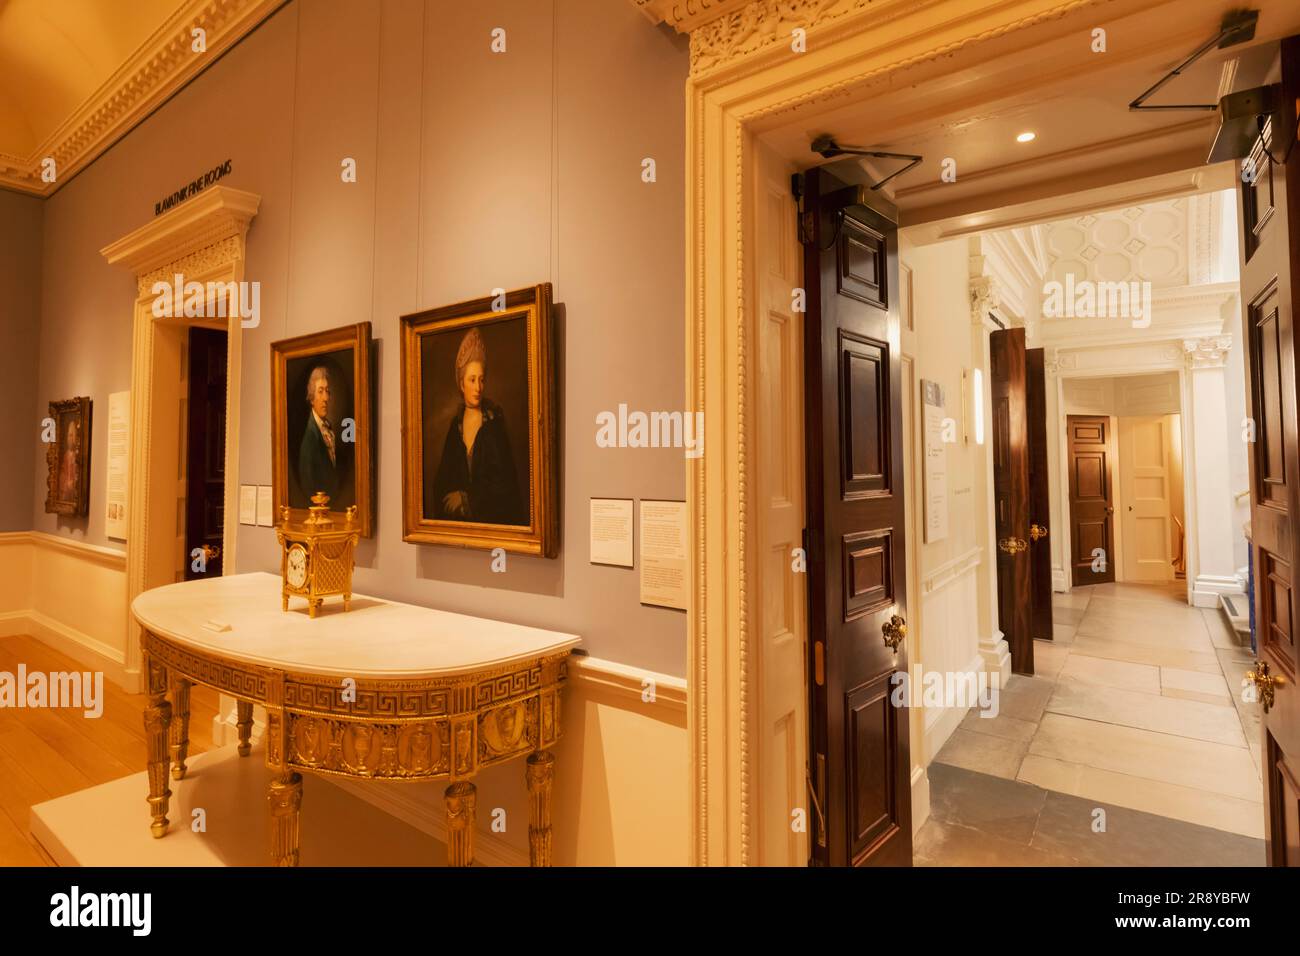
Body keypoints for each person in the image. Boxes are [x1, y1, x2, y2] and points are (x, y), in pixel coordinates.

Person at [429, 327, 524, 524]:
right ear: (461, 384)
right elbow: (442, 482)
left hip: (492, 525)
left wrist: (466, 499)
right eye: (472, 380)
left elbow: (505, 487)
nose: (478, 387)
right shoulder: (455, 427)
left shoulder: (494, 424)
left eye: (481, 380)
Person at [297, 365, 353, 507]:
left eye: (327, 391)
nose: (326, 398)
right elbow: (308, 488)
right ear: (311, 397)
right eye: (320, 391)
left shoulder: (327, 428)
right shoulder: (309, 440)